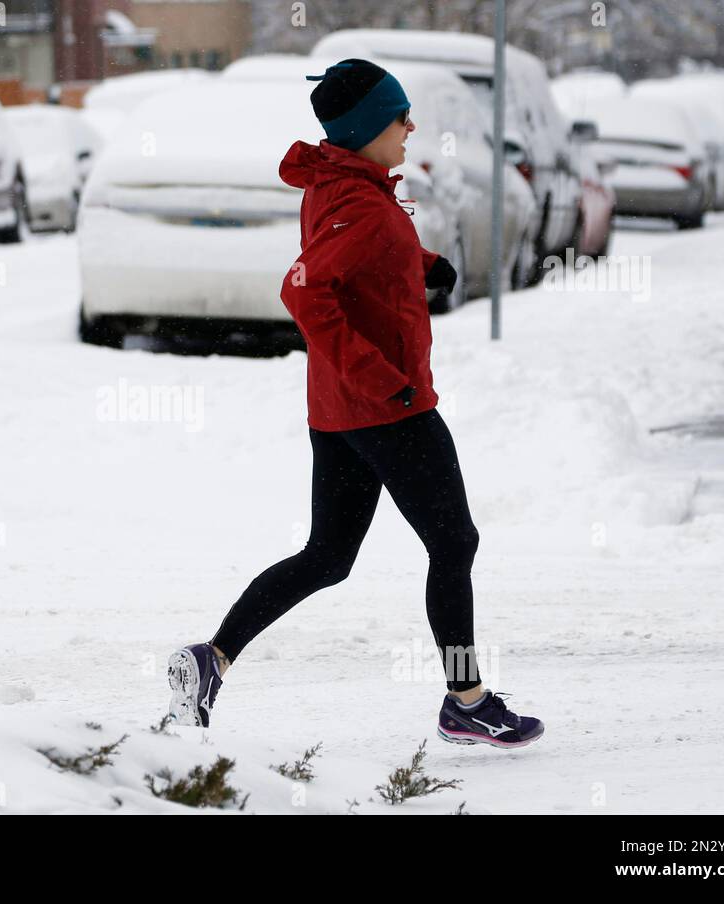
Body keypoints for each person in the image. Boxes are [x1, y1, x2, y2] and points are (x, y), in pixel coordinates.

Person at [166, 58, 544, 749]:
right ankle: (467, 700)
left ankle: (212, 658)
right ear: (369, 127)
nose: (411, 126)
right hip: (387, 406)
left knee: (329, 555)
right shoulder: (362, 204)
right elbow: (306, 288)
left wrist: (422, 265)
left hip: (341, 410)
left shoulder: (340, 186)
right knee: (454, 542)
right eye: (400, 117)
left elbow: (344, 255)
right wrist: (383, 380)